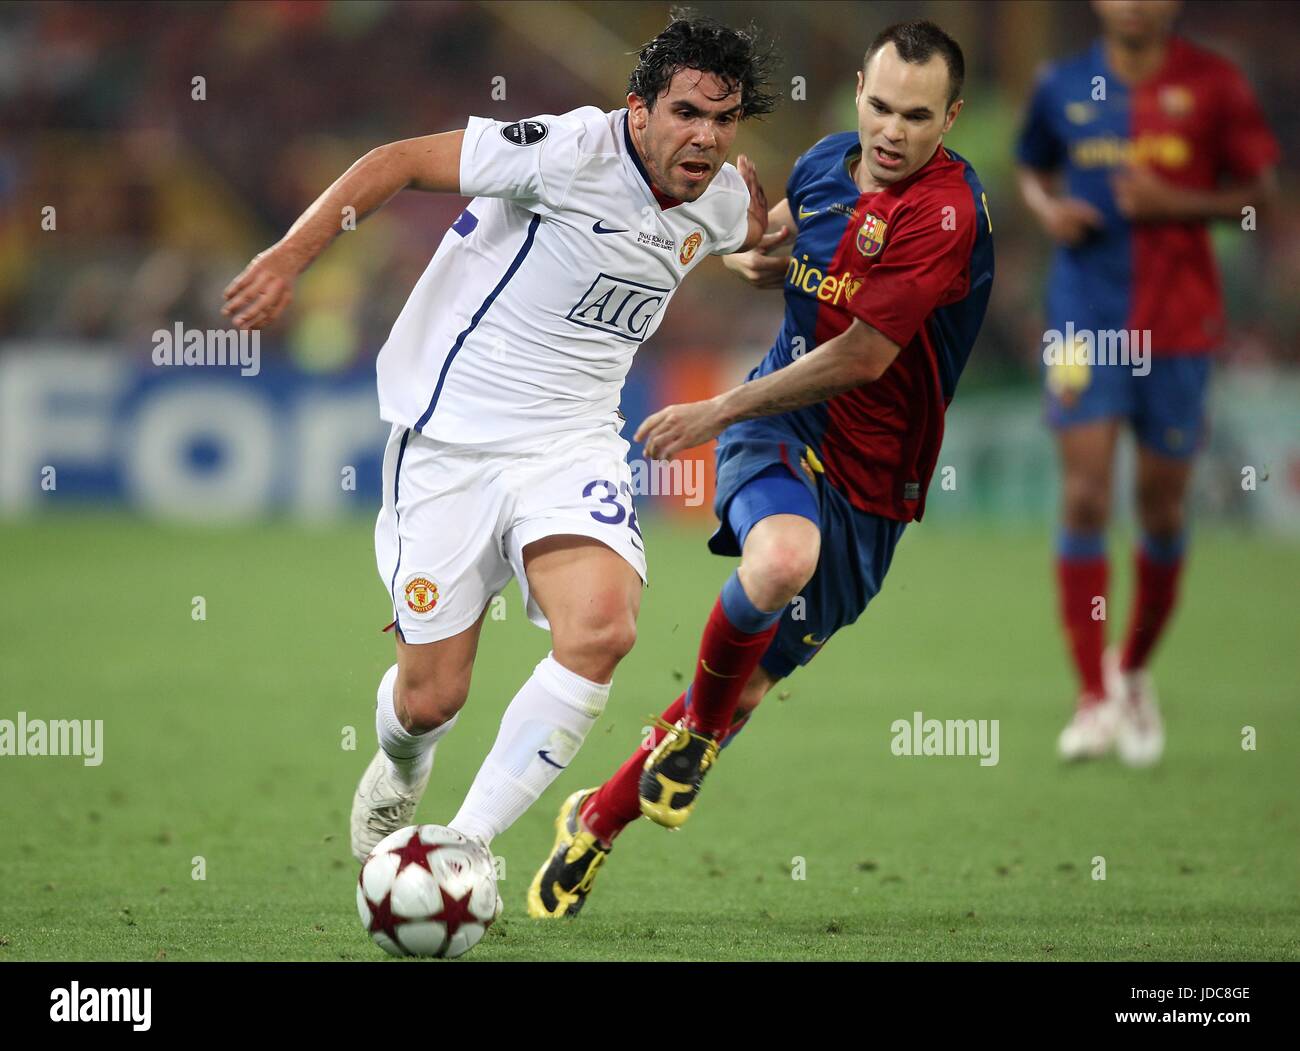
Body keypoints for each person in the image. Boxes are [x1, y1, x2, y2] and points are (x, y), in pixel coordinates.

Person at [220, 13, 777, 868]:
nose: (705, 136)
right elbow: (396, 163)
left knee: (602, 628)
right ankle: (402, 761)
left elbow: (751, 239)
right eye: (686, 113)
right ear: (639, 112)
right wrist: (291, 257)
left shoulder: (724, 196)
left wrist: (774, 247)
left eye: (723, 118)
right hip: (451, 440)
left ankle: (462, 844)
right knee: (431, 698)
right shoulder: (566, 153)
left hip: (573, 444)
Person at [528, 20, 994, 918]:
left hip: (874, 487)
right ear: (858, 89)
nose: (893, 132)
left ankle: (594, 820)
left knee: (738, 691)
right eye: (882, 106)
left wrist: (712, 409)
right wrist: (749, 252)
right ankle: (695, 736)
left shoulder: (944, 214)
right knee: (779, 562)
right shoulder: (826, 163)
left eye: (918, 116)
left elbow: (864, 357)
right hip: (784, 424)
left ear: (951, 117)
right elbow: (770, 254)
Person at [1015, 0, 1279, 766]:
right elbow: (1032, 164)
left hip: (1179, 328)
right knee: (1086, 492)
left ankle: (1129, 670)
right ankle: (1091, 699)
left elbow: (1266, 203)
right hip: (1081, 321)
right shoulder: (1061, 84)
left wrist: (1177, 207)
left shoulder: (1216, 83)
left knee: (1161, 510)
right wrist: (1046, 206)